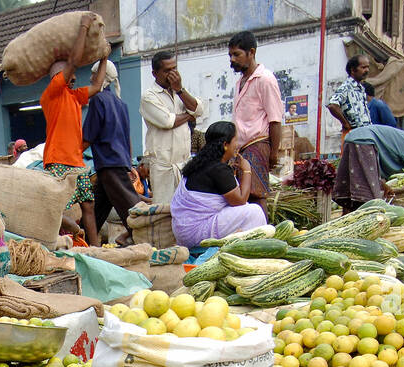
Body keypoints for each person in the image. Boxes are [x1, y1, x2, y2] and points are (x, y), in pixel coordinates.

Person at [41, 12, 108, 245]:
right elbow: (73, 63)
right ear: (56, 77)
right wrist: (83, 27)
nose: (72, 77)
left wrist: (103, 58)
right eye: (66, 75)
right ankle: (61, 238)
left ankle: (95, 248)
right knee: (55, 207)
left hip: (76, 161)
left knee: (88, 205)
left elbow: (97, 86)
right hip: (58, 160)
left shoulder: (74, 96)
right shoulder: (52, 94)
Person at [169, 121, 269, 247]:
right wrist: (247, 170)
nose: (237, 145)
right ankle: (251, 251)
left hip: (184, 231)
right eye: (235, 141)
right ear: (225, 145)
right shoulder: (218, 169)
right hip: (195, 233)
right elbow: (241, 200)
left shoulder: (201, 162)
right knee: (254, 212)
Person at [82, 70, 140, 243]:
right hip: (118, 161)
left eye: (94, 75)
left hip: (109, 162)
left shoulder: (98, 100)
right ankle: (83, 240)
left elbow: (88, 136)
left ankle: (144, 237)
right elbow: (127, 137)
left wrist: (72, 154)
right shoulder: (121, 104)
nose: (92, 78)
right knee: (97, 207)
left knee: (131, 210)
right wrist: (129, 163)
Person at [227, 30, 284, 209]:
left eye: (237, 54)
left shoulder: (265, 79)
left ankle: (262, 231)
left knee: (256, 194)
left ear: (251, 53)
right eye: (230, 55)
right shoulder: (240, 82)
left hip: (257, 144)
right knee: (243, 197)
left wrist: (274, 152)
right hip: (241, 147)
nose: (232, 59)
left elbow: (275, 120)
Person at [140, 50, 205, 203]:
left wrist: (180, 90)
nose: (173, 74)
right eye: (167, 70)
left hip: (185, 166)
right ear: (155, 73)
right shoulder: (149, 96)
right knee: (165, 213)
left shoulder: (179, 92)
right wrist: (190, 115)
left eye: (174, 68)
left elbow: (199, 109)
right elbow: (168, 122)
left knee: (188, 210)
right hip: (164, 169)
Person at [333, 126, 404, 211]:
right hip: (365, 142)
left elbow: (369, 171)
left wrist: (383, 186)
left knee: (351, 189)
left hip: (352, 137)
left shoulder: (402, 138)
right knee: (368, 196)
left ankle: (347, 219)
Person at [328, 55, 372, 139]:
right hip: (354, 136)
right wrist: (345, 123)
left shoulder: (361, 88)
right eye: (363, 67)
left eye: (367, 67)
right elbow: (332, 105)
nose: (367, 70)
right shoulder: (346, 87)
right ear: (353, 70)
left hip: (365, 134)